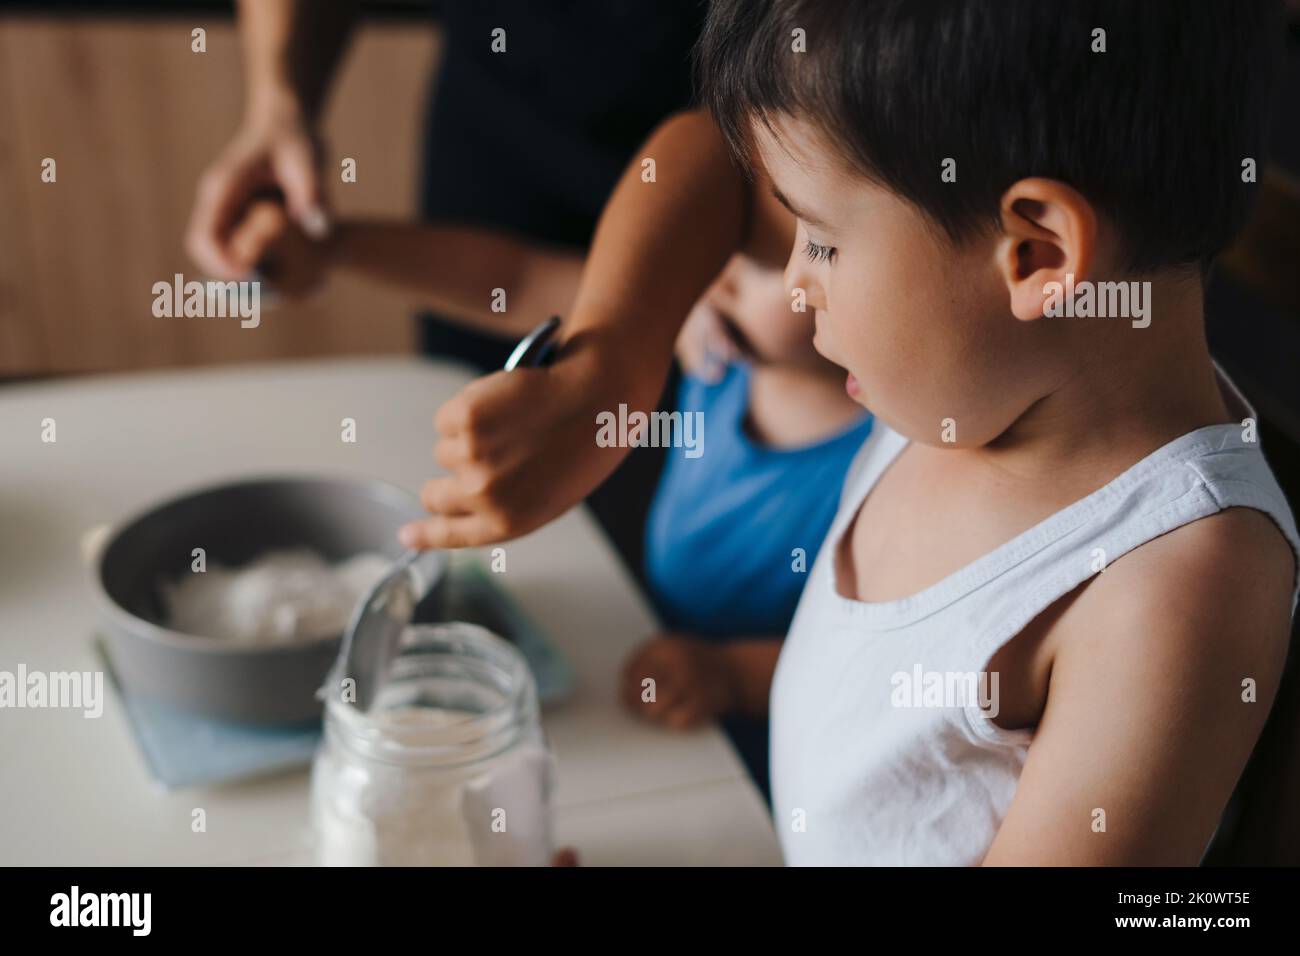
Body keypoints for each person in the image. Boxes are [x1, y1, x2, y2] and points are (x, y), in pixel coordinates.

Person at [403, 0, 1300, 865]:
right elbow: (709, 162)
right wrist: (610, 365)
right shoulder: (997, 372)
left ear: (1038, 254)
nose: (793, 283)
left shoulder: (1177, 583)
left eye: (820, 243)